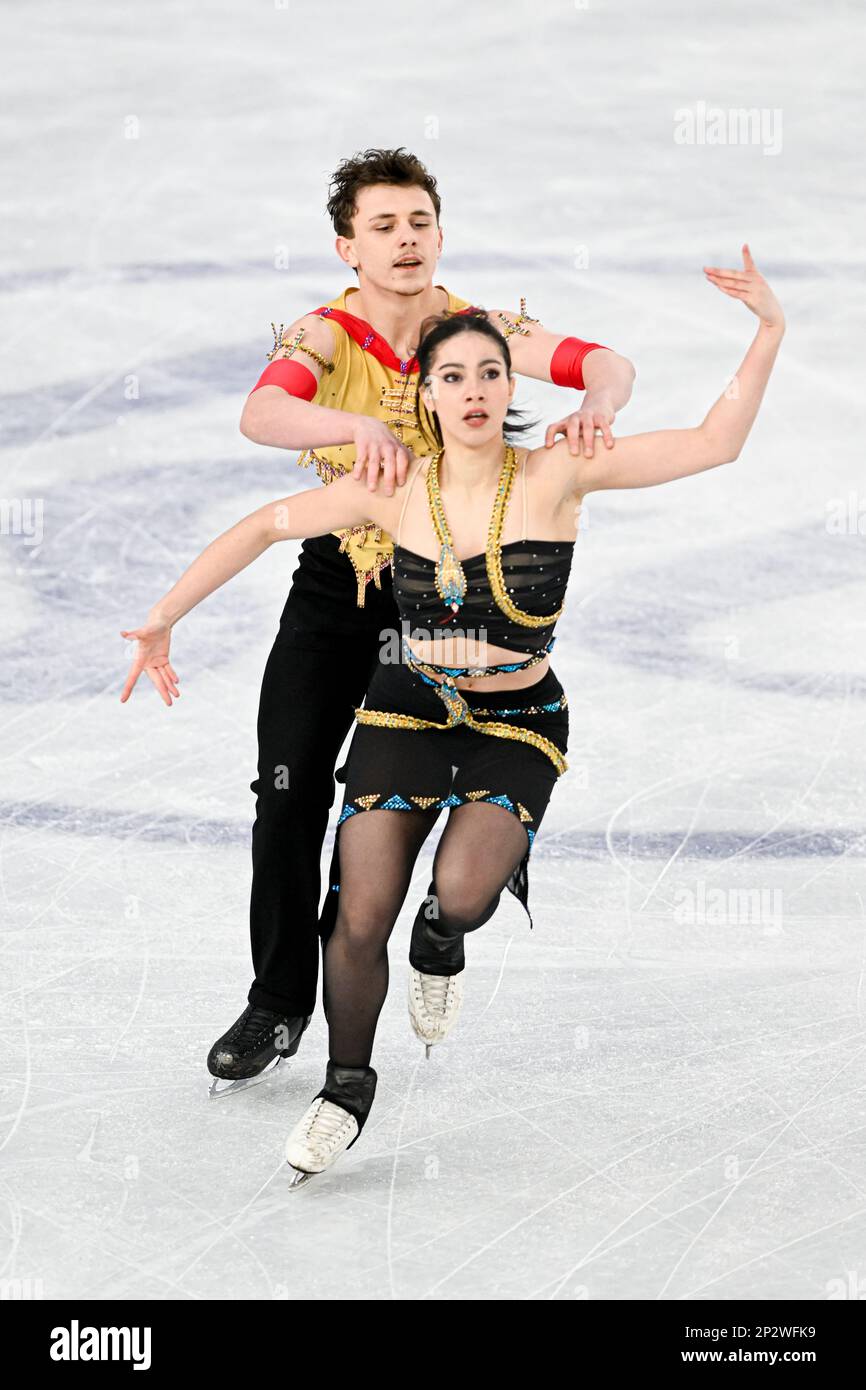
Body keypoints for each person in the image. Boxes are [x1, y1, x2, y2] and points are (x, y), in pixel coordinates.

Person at [119, 245, 785, 1185]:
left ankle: (442, 938)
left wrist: (768, 330)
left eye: (489, 373)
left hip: (517, 719)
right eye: (451, 376)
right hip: (409, 708)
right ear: (425, 395)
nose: (473, 389)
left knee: (460, 897)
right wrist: (163, 617)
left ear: (509, 385)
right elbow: (269, 521)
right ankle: (345, 1090)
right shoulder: (394, 491)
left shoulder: (558, 473)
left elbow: (716, 442)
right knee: (357, 915)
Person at [121, 146, 636, 1097]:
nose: (405, 242)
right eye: (383, 227)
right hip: (339, 586)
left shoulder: (471, 331)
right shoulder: (327, 333)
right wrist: (347, 428)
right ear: (346, 246)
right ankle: (279, 999)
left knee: (406, 796)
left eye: (419, 224)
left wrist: (600, 400)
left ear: (440, 233)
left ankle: (447, 915)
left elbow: (601, 360)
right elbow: (261, 414)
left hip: (434, 595)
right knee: (287, 788)